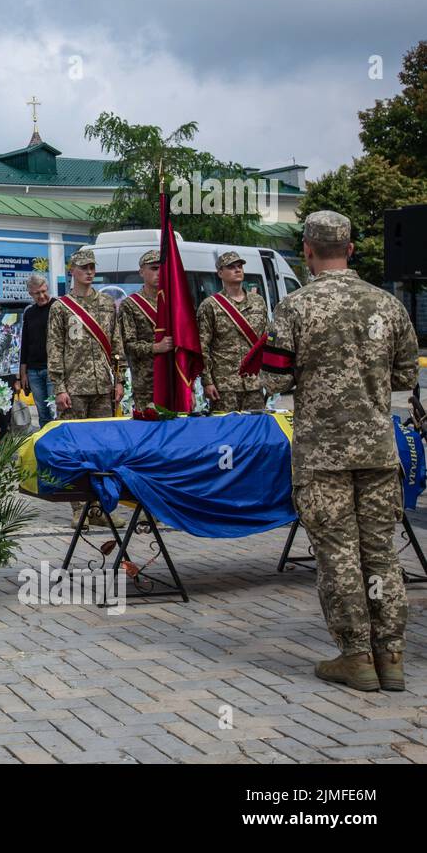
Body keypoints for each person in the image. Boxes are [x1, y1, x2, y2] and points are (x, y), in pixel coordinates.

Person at [257, 211, 419, 692]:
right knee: (380, 553)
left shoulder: (294, 308)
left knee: (339, 555)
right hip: (377, 451)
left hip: (322, 456)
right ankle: (391, 655)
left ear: (307, 250)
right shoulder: (387, 305)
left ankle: (356, 656)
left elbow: (274, 379)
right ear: (349, 249)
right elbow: (406, 376)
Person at [47, 249, 125, 528]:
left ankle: (101, 507)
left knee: (103, 449)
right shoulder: (61, 306)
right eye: (84, 268)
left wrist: (119, 380)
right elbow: (54, 347)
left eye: (92, 267)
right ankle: (79, 508)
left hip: (103, 386)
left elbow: (116, 343)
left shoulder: (107, 303)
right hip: (74, 387)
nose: (89, 272)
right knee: (75, 449)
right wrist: (59, 387)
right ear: (73, 271)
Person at [198, 250, 269, 412]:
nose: (237, 270)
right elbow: (202, 347)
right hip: (224, 385)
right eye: (231, 267)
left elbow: (266, 340)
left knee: (255, 426)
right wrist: (207, 382)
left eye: (239, 266)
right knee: (226, 427)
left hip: (254, 383)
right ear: (220, 273)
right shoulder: (210, 305)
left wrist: (270, 376)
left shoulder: (258, 302)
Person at [118, 251, 173, 412]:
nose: (159, 273)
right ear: (141, 272)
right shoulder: (131, 305)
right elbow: (128, 345)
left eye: (162, 268)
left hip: (174, 379)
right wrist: (155, 347)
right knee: (149, 424)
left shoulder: (173, 302)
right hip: (147, 383)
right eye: (154, 268)